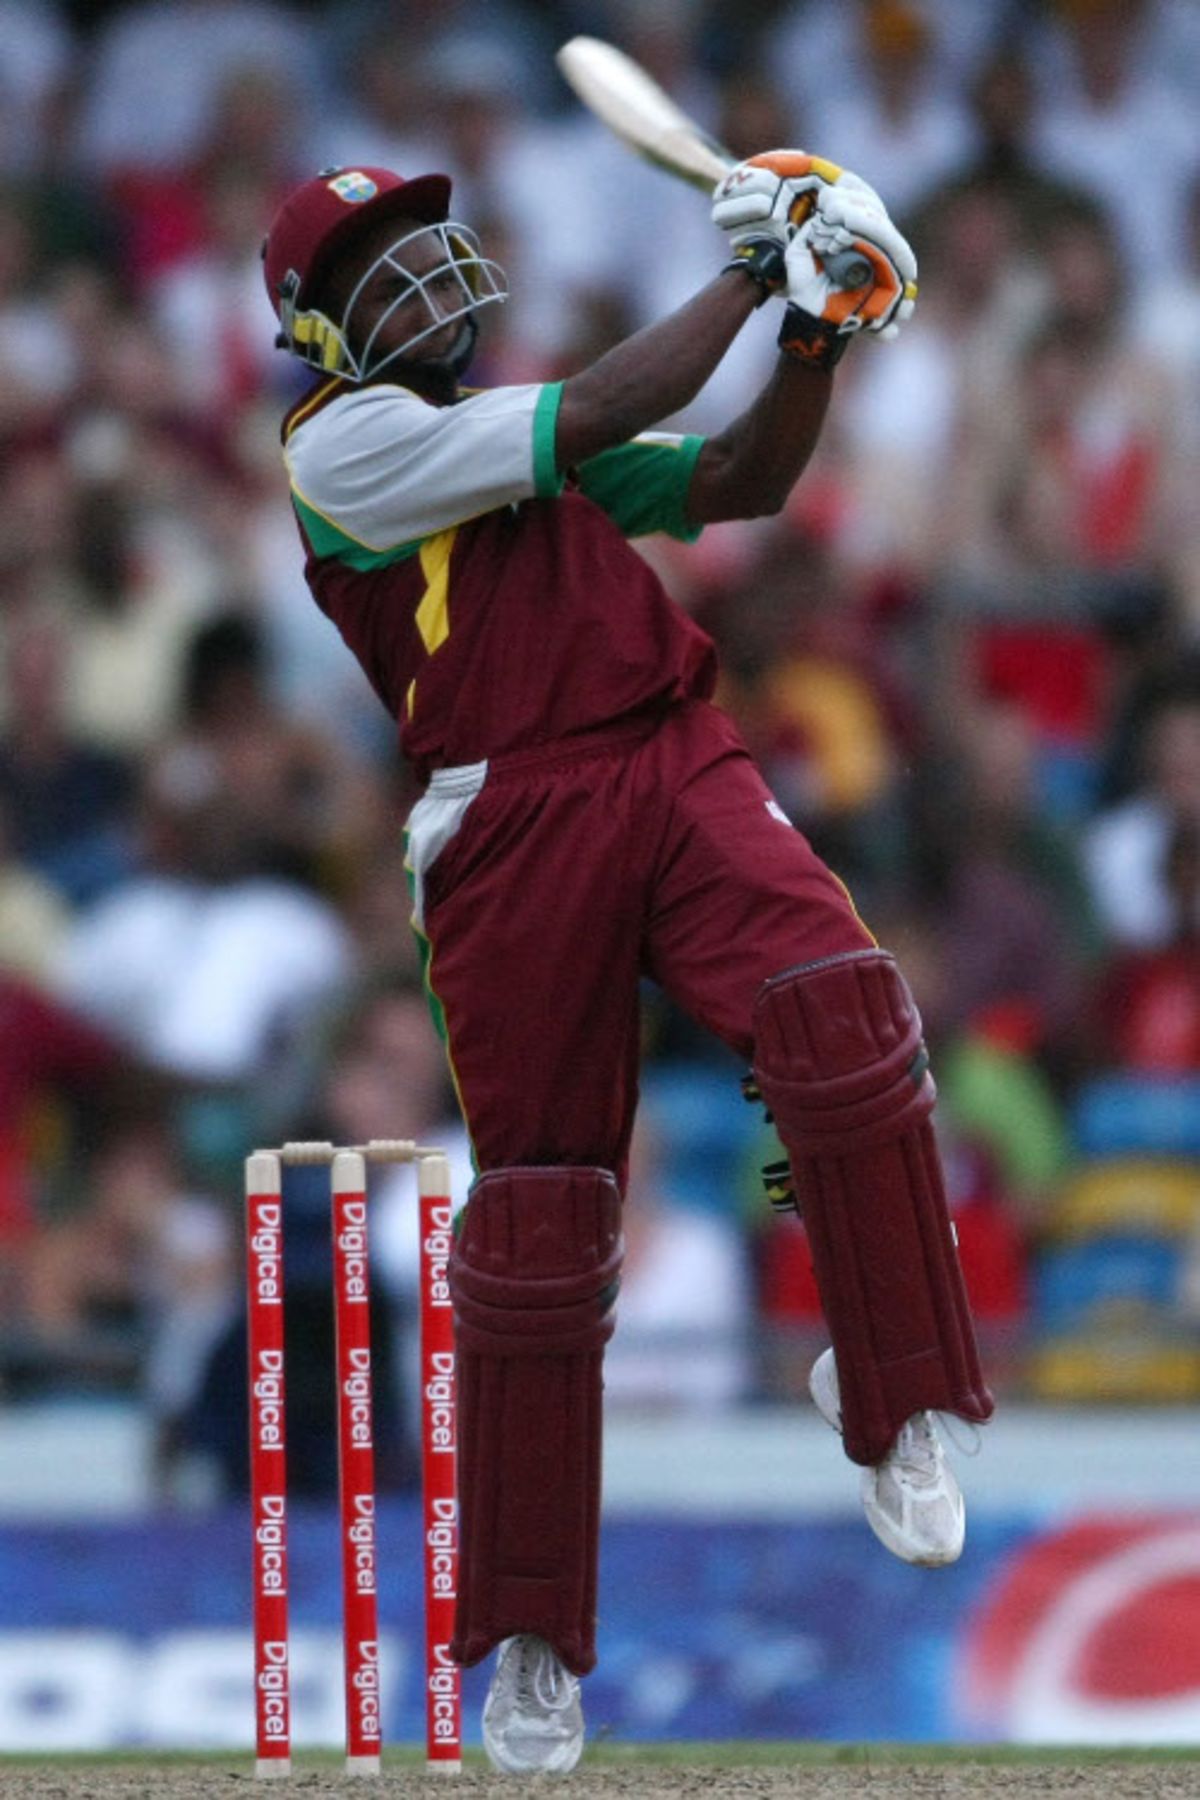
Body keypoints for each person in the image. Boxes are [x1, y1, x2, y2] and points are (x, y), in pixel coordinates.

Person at [260, 155, 994, 1775]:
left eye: (421, 241)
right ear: (317, 330)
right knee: (537, 1223)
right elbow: (590, 414)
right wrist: (752, 271)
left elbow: (734, 479)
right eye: (373, 267)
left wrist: (817, 333)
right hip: (506, 830)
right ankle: (527, 1643)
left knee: (846, 1016)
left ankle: (898, 1399)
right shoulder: (347, 450)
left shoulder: (524, 420)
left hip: (671, 761)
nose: (420, 276)